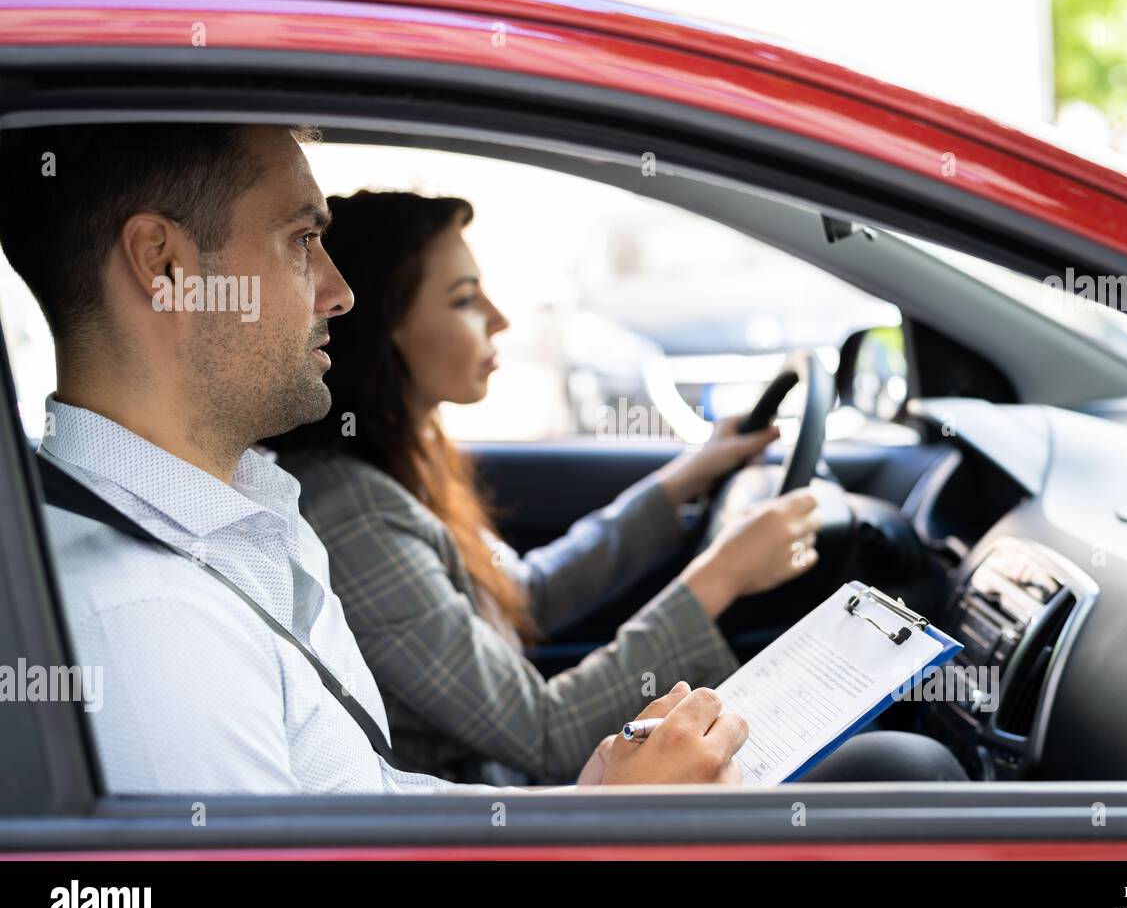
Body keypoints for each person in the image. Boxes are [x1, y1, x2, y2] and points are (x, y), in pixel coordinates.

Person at [266, 190, 827, 784]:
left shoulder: (403, 463)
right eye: (463, 298)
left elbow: (519, 594)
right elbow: (543, 734)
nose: (499, 318)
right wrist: (722, 576)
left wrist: (681, 482)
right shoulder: (355, 515)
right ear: (383, 331)